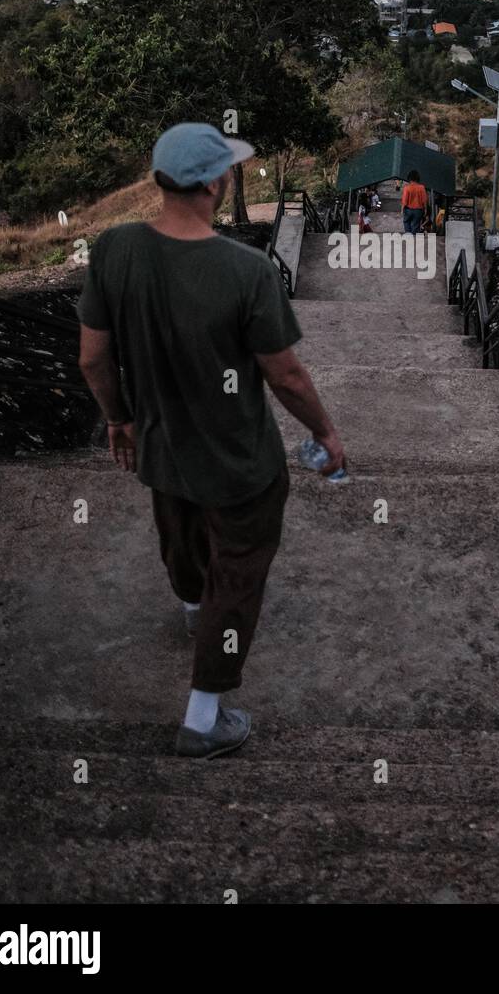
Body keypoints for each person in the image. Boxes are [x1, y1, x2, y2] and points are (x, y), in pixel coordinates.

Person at [77, 122, 345, 760]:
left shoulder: (113, 250)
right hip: (241, 462)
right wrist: (325, 432)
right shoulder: (246, 271)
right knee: (241, 573)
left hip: (161, 449)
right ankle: (203, 717)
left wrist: (119, 419)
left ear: (160, 180)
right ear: (216, 183)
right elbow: (284, 374)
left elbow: (92, 360)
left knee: (183, 539)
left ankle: (196, 609)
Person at [401, 170, 428, 235]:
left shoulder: (407, 188)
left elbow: (404, 200)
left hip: (408, 210)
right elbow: (424, 200)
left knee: (406, 222)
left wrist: (402, 210)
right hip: (418, 211)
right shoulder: (422, 188)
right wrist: (426, 209)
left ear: (409, 178)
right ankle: (414, 240)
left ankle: (408, 237)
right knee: (415, 226)